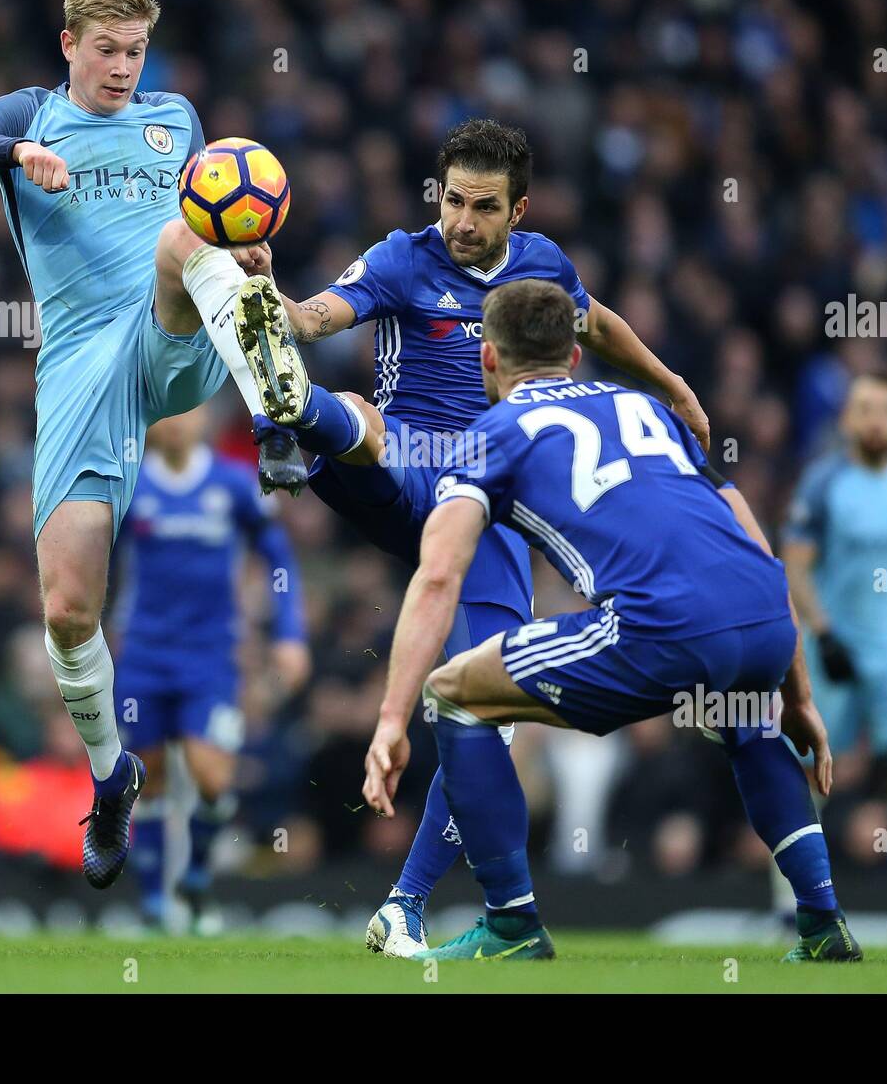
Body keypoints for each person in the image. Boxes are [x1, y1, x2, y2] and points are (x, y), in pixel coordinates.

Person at [230, 118, 710, 954]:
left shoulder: (544, 268)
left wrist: (670, 383)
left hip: (486, 502)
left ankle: (404, 907)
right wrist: (275, 297)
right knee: (372, 424)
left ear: (516, 210)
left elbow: (597, 327)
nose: (461, 220)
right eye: (452, 199)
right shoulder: (400, 258)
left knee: (479, 707)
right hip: (400, 471)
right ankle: (295, 412)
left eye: (483, 207)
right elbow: (318, 315)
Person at [0, 0, 303, 889]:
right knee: (67, 610)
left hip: (167, 331)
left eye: (136, 50)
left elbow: (215, 223)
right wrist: (18, 157)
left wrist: (243, 252)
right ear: (70, 45)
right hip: (81, 366)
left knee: (185, 241)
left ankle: (277, 419)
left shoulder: (176, 119)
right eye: (106, 49)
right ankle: (112, 778)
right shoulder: (30, 115)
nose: (123, 67)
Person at [361, 278, 861, 963]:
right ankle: (823, 922)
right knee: (745, 718)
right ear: (573, 357)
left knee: (455, 691)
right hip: (761, 617)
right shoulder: (646, 408)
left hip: (660, 627)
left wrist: (391, 718)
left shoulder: (491, 433)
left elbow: (441, 573)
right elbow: (753, 541)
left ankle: (511, 924)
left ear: (487, 358)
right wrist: (797, 693)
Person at [112, 404, 308, 928]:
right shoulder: (129, 484)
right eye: (165, 411)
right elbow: (98, 560)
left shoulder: (234, 483)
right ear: (148, 419)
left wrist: (288, 633)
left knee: (213, 777)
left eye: (188, 410)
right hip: (145, 655)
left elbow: (279, 556)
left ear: (206, 419)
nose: (176, 421)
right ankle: (154, 902)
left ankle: (196, 872)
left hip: (212, 657)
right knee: (146, 778)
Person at [780, 372, 887, 939]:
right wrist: (823, 633)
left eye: (885, 408)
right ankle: (794, 906)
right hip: (834, 643)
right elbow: (797, 564)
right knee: (806, 771)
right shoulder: (824, 482)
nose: (874, 419)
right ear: (847, 420)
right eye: (863, 408)